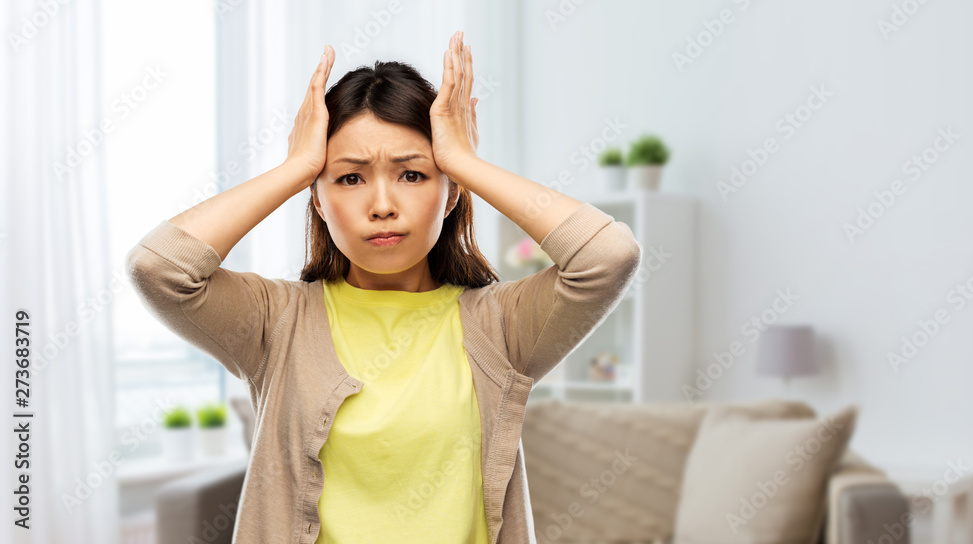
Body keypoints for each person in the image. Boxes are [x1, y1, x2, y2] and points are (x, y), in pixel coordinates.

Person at [126, 30, 641, 544]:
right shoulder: (276, 320)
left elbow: (607, 256)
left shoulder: (501, 325)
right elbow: (161, 268)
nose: (382, 205)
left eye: (412, 175)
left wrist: (465, 162)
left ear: (451, 193)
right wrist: (295, 168)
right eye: (349, 179)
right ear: (318, 201)